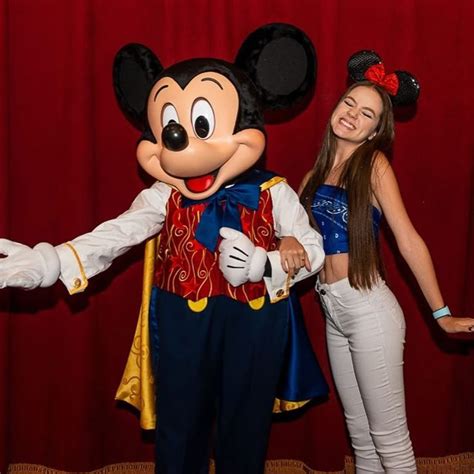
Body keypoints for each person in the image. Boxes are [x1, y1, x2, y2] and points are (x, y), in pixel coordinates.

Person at [278, 50, 474, 474]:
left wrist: (441, 314)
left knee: (390, 442)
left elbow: (409, 240)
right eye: (349, 103)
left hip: (368, 308)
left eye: (366, 113)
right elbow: (294, 240)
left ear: (374, 131)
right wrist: (287, 235)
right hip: (333, 309)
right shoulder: (312, 177)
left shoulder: (373, 166)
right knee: (361, 438)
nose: (352, 114)